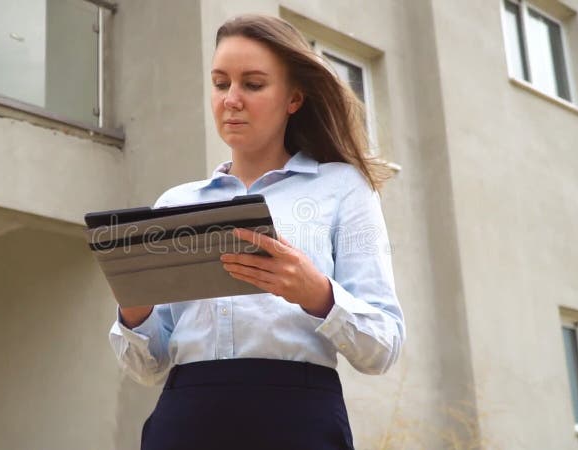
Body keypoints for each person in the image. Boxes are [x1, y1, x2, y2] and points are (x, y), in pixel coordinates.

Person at [109, 13, 405, 450]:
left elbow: (383, 348)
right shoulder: (176, 204)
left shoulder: (344, 189)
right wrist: (134, 310)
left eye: (252, 84)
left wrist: (318, 294)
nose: (231, 99)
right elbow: (148, 367)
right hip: (184, 421)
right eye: (220, 82)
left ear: (294, 98)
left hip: (299, 422)